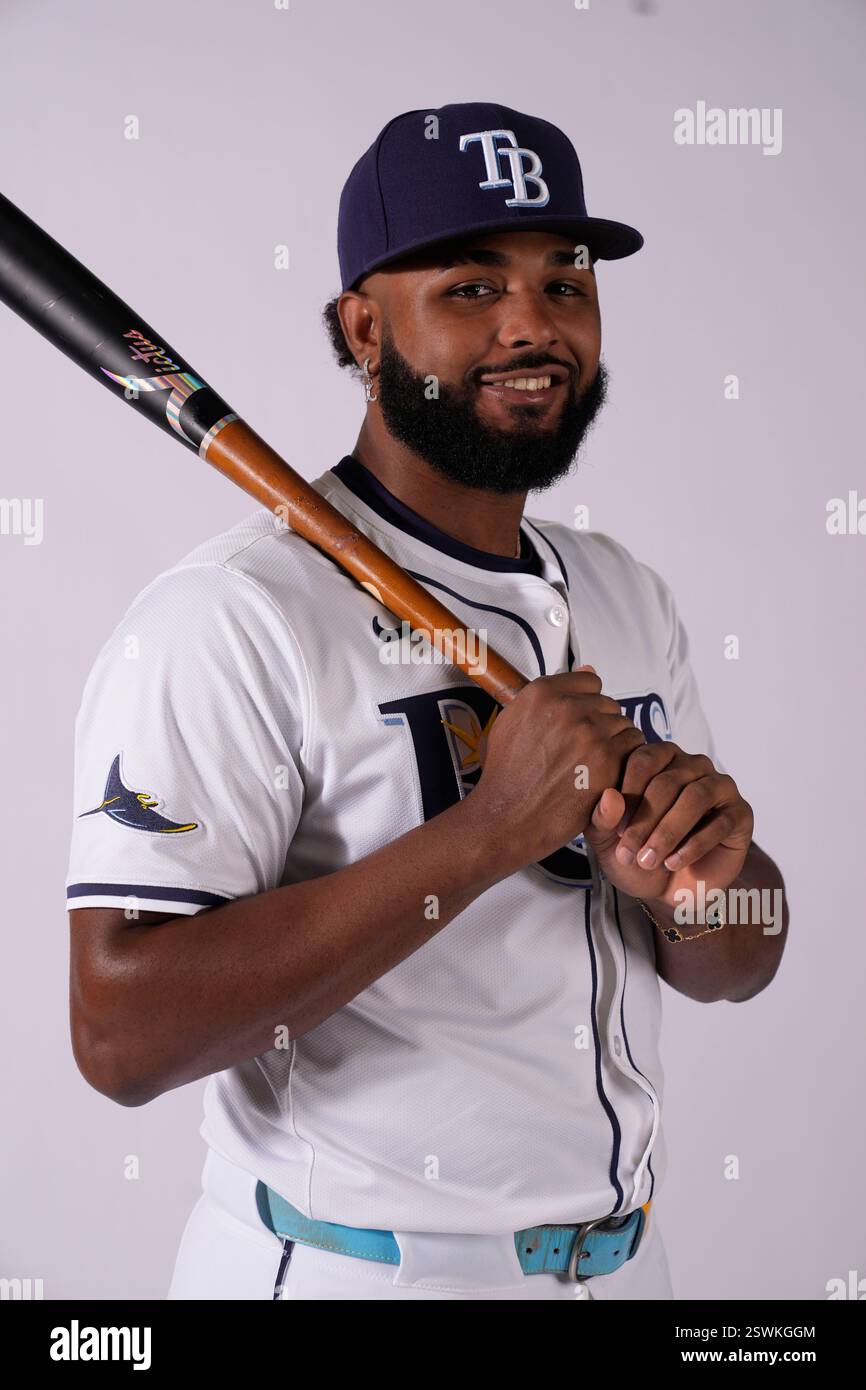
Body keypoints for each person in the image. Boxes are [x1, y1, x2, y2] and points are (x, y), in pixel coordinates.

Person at [67, 102, 788, 1301]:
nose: (531, 324)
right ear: (362, 328)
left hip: (626, 1267)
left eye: (564, 282)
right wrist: (489, 830)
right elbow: (120, 1036)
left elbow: (735, 960)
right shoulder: (228, 615)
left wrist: (701, 882)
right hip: (357, 1272)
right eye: (468, 287)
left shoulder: (623, 593)